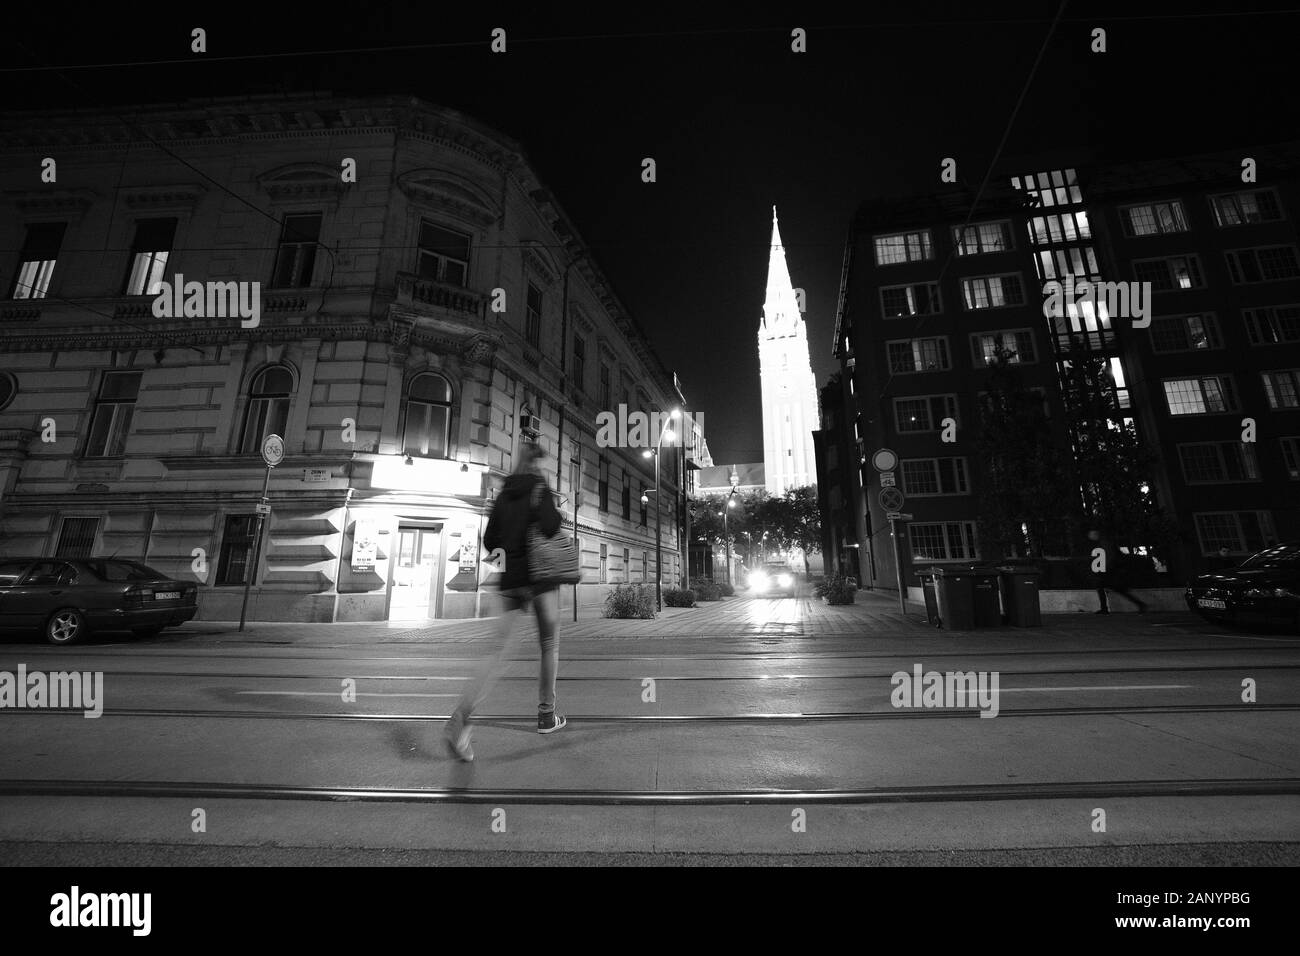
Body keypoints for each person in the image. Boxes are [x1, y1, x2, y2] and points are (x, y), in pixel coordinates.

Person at [443, 442, 566, 762]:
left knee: (497, 651)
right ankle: (546, 715)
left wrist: (507, 568)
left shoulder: (504, 492)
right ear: (538, 463)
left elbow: (489, 540)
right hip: (541, 580)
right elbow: (552, 527)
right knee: (549, 644)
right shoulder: (539, 487)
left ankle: (461, 716)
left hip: (510, 581)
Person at [1088, 528, 1148, 614]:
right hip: (1110, 570)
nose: (1091, 537)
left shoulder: (1104, 543)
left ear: (1096, 535)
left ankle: (1140, 604)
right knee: (1108, 587)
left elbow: (1110, 556)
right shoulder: (1103, 542)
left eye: (1092, 535)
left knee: (1110, 588)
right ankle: (1139, 604)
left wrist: (1106, 569)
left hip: (1110, 570)